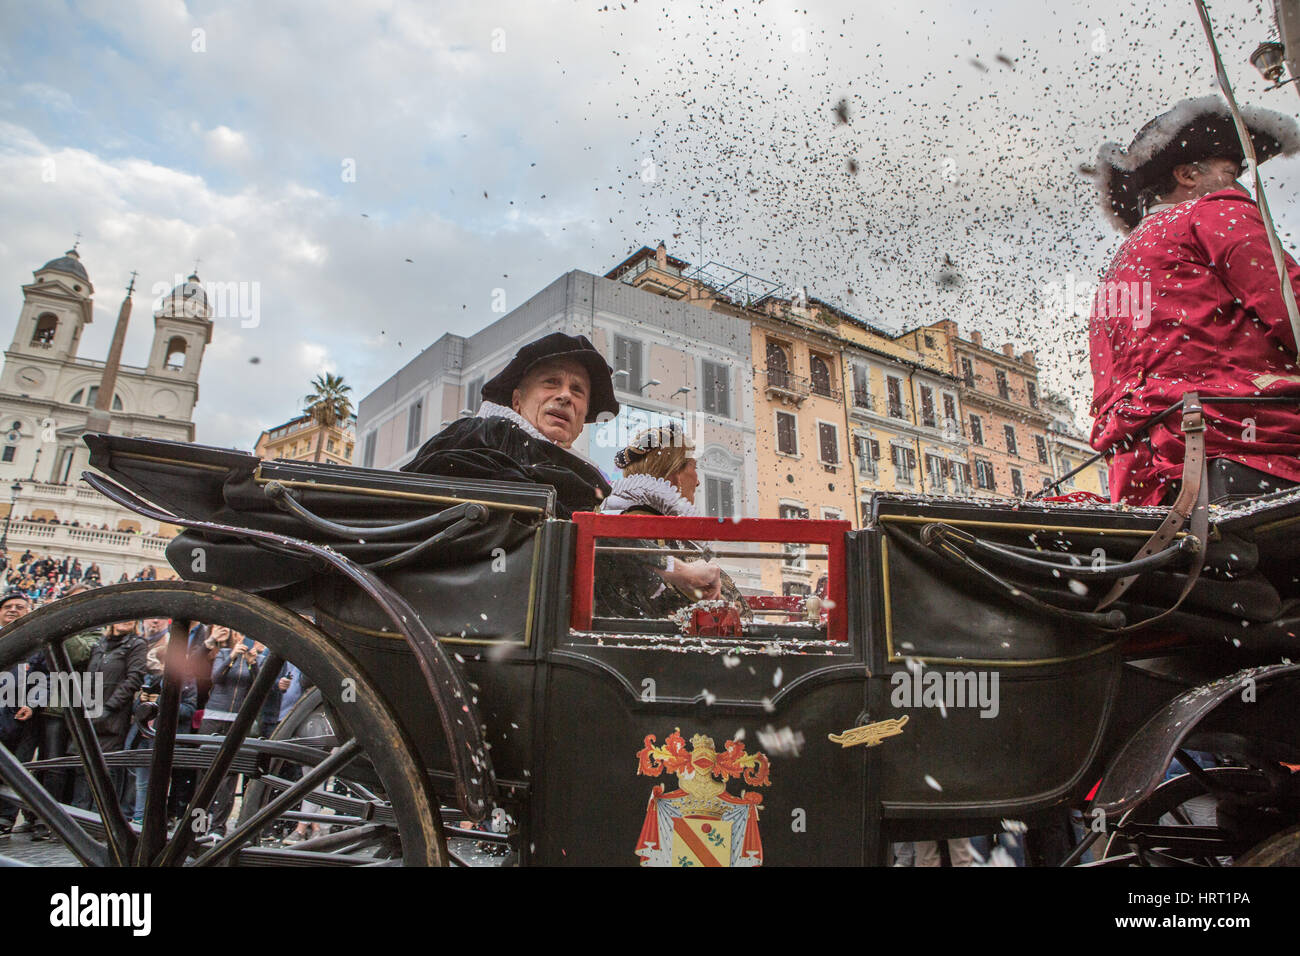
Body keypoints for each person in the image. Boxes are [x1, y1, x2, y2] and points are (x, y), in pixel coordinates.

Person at [1091, 95, 1300, 506]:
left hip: (1148, 478)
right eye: (1231, 172)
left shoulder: (1116, 272)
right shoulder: (1213, 212)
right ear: (1187, 174)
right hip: (1251, 448)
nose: (1240, 186)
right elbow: (1291, 308)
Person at [403, 332, 618, 516]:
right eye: (551, 382)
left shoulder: (594, 484)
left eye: (577, 390)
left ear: (582, 423)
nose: (565, 396)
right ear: (517, 401)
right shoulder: (484, 435)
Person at [595, 424, 741, 619]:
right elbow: (738, 615)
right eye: (694, 468)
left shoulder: (616, 531)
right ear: (675, 478)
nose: (697, 482)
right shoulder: (674, 543)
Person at [71, 618, 147, 811]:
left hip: (113, 716)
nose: (126, 621)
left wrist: (110, 707)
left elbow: (134, 679)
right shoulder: (99, 645)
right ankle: (79, 815)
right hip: (89, 711)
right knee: (83, 769)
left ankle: (101, 818)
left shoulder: (136, 645)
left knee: (107, 769)